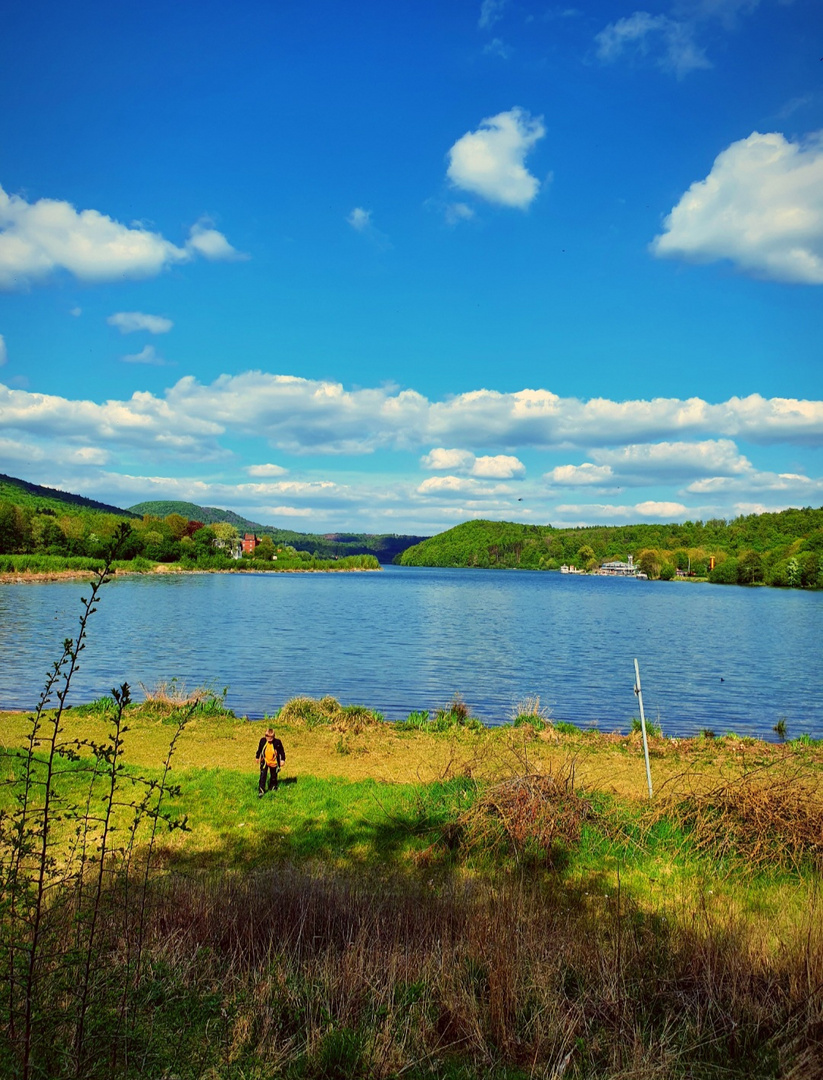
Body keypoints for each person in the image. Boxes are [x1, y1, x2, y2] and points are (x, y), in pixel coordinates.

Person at [255, 727, 286, 797]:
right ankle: (261, 790)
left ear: (274, 736)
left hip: (274, 762)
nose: (269, 739)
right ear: (265, 736)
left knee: (274, 776)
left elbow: (281, 751)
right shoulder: (262, 741)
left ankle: (273, 787)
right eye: (267, 737)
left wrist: (282, 759)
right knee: (263, 775)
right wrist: (257, 757)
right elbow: (259, 749)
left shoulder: (277, 742)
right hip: (265, 761)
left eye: (271, 737)